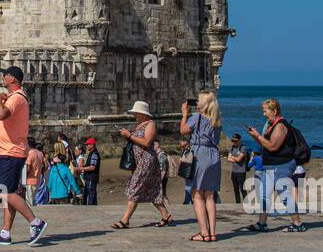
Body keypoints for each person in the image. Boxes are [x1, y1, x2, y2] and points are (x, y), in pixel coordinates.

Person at [0, 66, 46, 245]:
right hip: (9, 152)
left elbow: (1, 115)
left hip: (11, 153)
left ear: (11, 79)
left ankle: (35, 222)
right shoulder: (15, 98)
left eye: (5, 75)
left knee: (6, 192)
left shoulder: (17, 98)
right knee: (7, 192)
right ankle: (5, 232)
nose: (2, 78)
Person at [244, 99, 305, 232]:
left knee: (284, 194)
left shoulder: (281, 126)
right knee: (264, 194)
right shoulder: (272, 125)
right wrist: (256, 136)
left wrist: (258, 136)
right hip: (270, 165)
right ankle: (262, 223)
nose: (263, 114)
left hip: (282, 164)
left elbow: (272, 146)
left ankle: (298, 223)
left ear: (275, 111)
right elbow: (265, 145)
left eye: (265, 111)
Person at [112, 100, 172, 229]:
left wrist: (129, 136)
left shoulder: (150, 124)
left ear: (142, 113)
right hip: (140, 161)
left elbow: (147, 142)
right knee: (152, 190)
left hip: (146, 161)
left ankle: (125, 220)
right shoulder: (140, 125)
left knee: (135, 188)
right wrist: (127, 135)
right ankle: (166, 215)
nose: (134, 115)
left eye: (136, 113)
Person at [179, 93, 222, 242]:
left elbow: (183, 130)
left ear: (203, 103)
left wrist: (184, 115)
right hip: (214, 155)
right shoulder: (216, 119)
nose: (196, 102)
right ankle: (212, 233)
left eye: (198, 100)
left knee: (196, 194)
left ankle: (204, 232)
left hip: (200, 154)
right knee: (210, 196)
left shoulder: (196, 117)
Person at [76, 136, 100, 206]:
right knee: (91, 195)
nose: (86, 146)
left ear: (92, 145)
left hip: (91, 178)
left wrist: (81, 168)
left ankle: (90, 210)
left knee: (90, 196)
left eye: (87, 145)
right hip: (89, 178)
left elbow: (92, 167)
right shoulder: (91, 153)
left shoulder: (94, 154)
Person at [24, 137, 47, 206]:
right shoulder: (40, 153)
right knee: (33, 200)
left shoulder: (30, 154)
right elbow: (45, 166)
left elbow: (27, 168)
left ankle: (31, 216)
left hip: (30, 180)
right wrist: (40, 172)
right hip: (37, 180)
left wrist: (22, 177)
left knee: (29, 202)